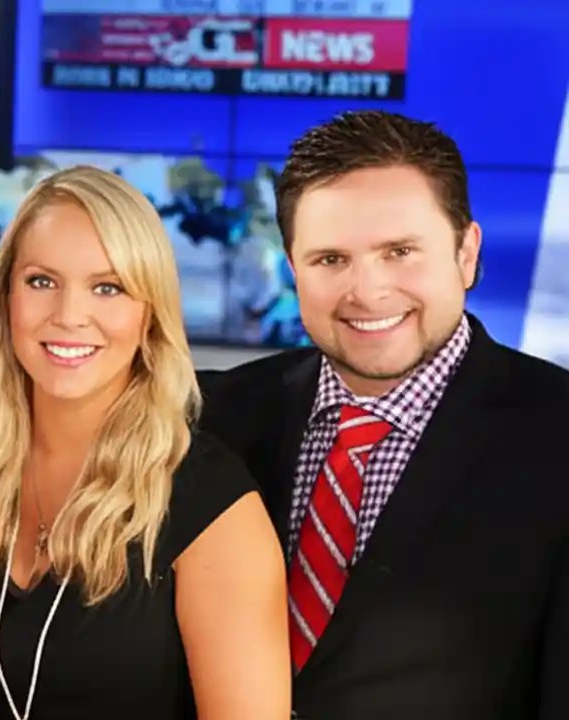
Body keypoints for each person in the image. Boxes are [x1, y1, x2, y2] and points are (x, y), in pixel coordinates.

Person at [198, 110, 569, 719]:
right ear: (293, 269)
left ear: (466, 253)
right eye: (330, 259)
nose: (367, 291)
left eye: (399, 251)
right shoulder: (212, 417)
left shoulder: (557, 436)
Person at [0, 165, 290, 719]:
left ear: (148, 313)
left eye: (107, 288)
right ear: (5, 296)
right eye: (41, 281)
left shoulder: (212, 506)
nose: (68, 315)